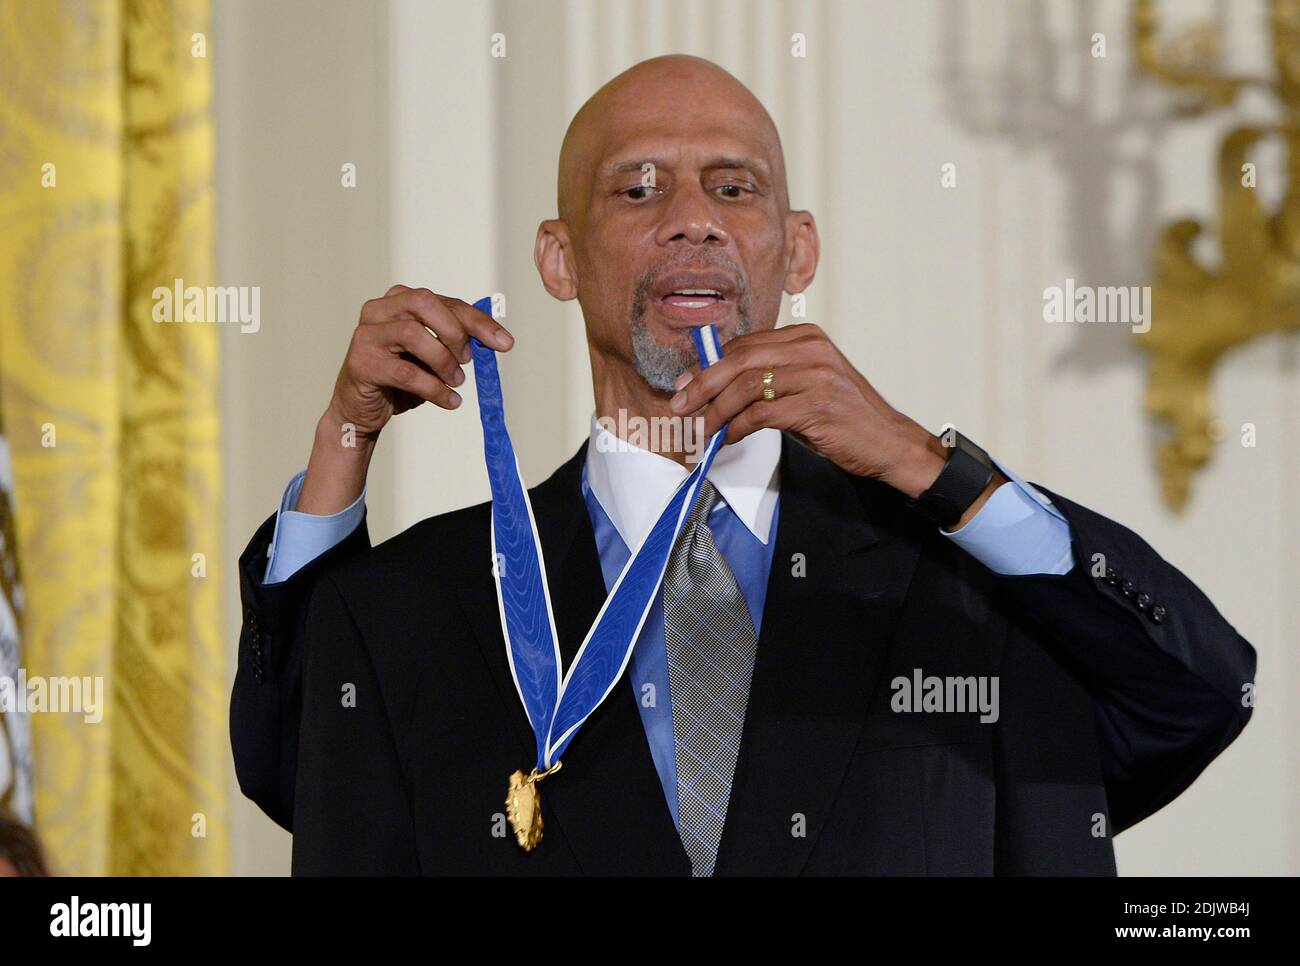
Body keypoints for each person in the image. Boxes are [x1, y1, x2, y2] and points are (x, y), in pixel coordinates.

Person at [229, 55, 1255, 875]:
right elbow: (294, 771)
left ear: (795, 250)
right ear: (559, 259)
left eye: (734, 186)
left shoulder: (968, 582)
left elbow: (1197, 695)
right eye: (636, 188)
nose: (691, 215)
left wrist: (918, 459)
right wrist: (343, 440)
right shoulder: (421, 608)